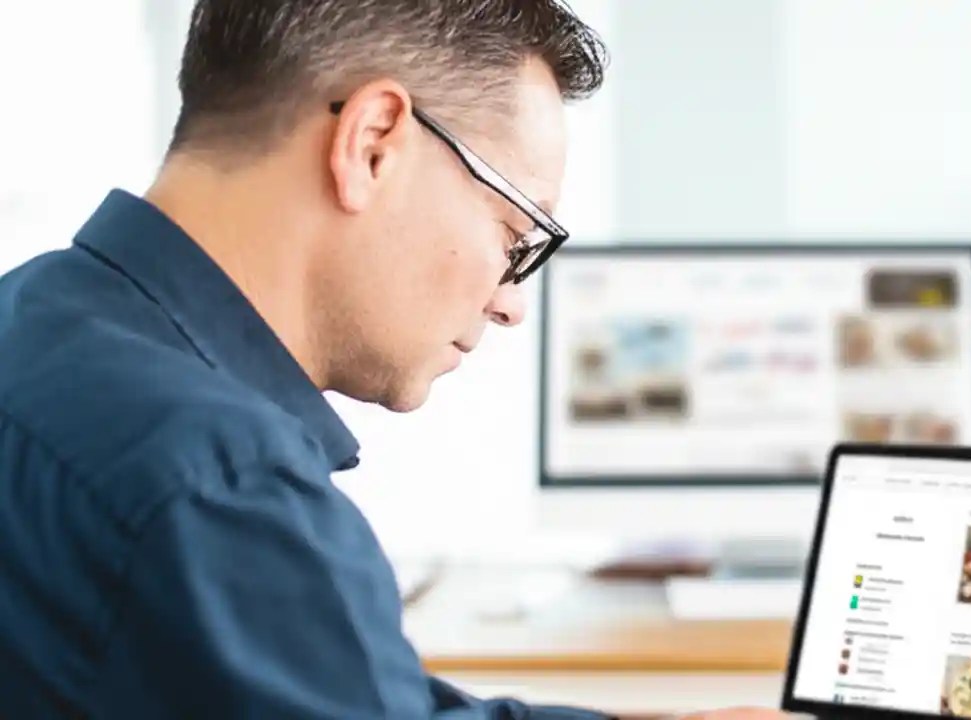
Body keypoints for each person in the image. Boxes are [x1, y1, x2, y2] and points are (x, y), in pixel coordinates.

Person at [0, 1, 792, 718]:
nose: (511, 302)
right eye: (516, 237)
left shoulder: (31, 320)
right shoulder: (219, 484)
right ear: (373, 143)